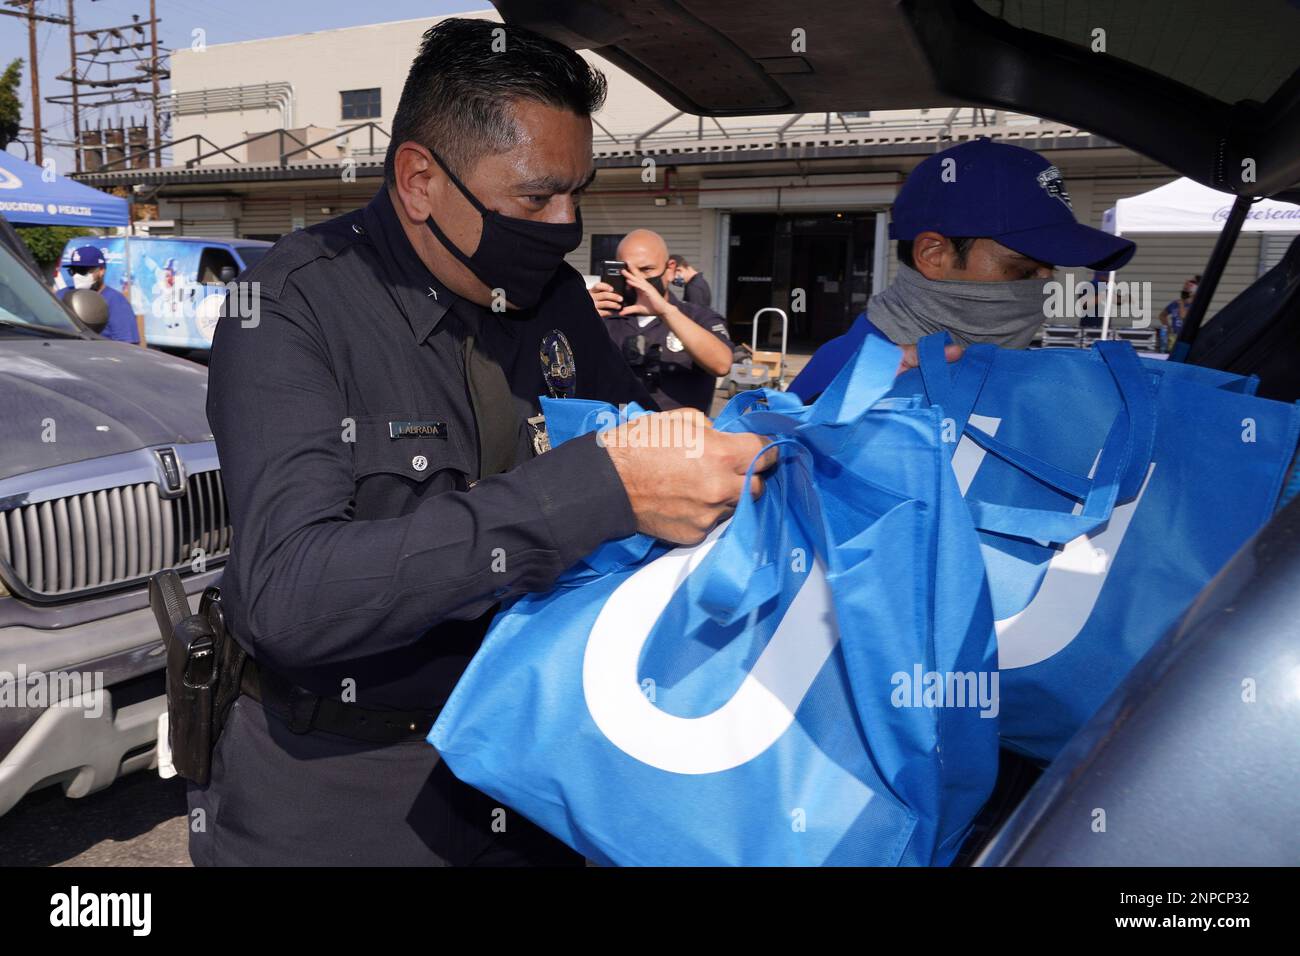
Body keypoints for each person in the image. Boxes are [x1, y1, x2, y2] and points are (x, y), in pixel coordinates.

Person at [195, 18, 774, 867]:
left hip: (541, 766)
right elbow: (291, 595)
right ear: (421, 179)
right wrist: (596, 492)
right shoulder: (289, 308)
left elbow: (630, 471)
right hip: (354, 791)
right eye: (536, 198)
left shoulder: (555, 300)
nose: (566, 224)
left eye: (577, 191)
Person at [789, 138, 1137, 401]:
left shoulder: (1003, 366)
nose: (1046, 286)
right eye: (1024, 270)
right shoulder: (846, 384)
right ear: (933, 255)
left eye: (1051, 269)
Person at [589, 229, 733, 412]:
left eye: (646, 269)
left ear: (670, 270)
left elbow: (721, 364)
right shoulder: (604, 315)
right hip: (614, 431)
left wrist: (666, 312)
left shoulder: (698, 317)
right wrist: (579, 313)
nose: (637, 279)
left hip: (678, 436)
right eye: (626, 270)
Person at [59, 245, 140, 344]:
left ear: (101, 271)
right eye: (73, 271)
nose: (77, 276)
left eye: (82, 271)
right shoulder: (62, 295)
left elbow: (127, 344)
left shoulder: (116, 301)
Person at [1159, 275, 1199, 352]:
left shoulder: (1195, 305)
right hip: (1174, 337)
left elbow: (1183, 316)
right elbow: (1162, 315)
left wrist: (1181, 303)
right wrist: (1168, 328)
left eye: (1193, 283)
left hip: (1186, 339)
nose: (1188, 285)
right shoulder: (1175, 303)